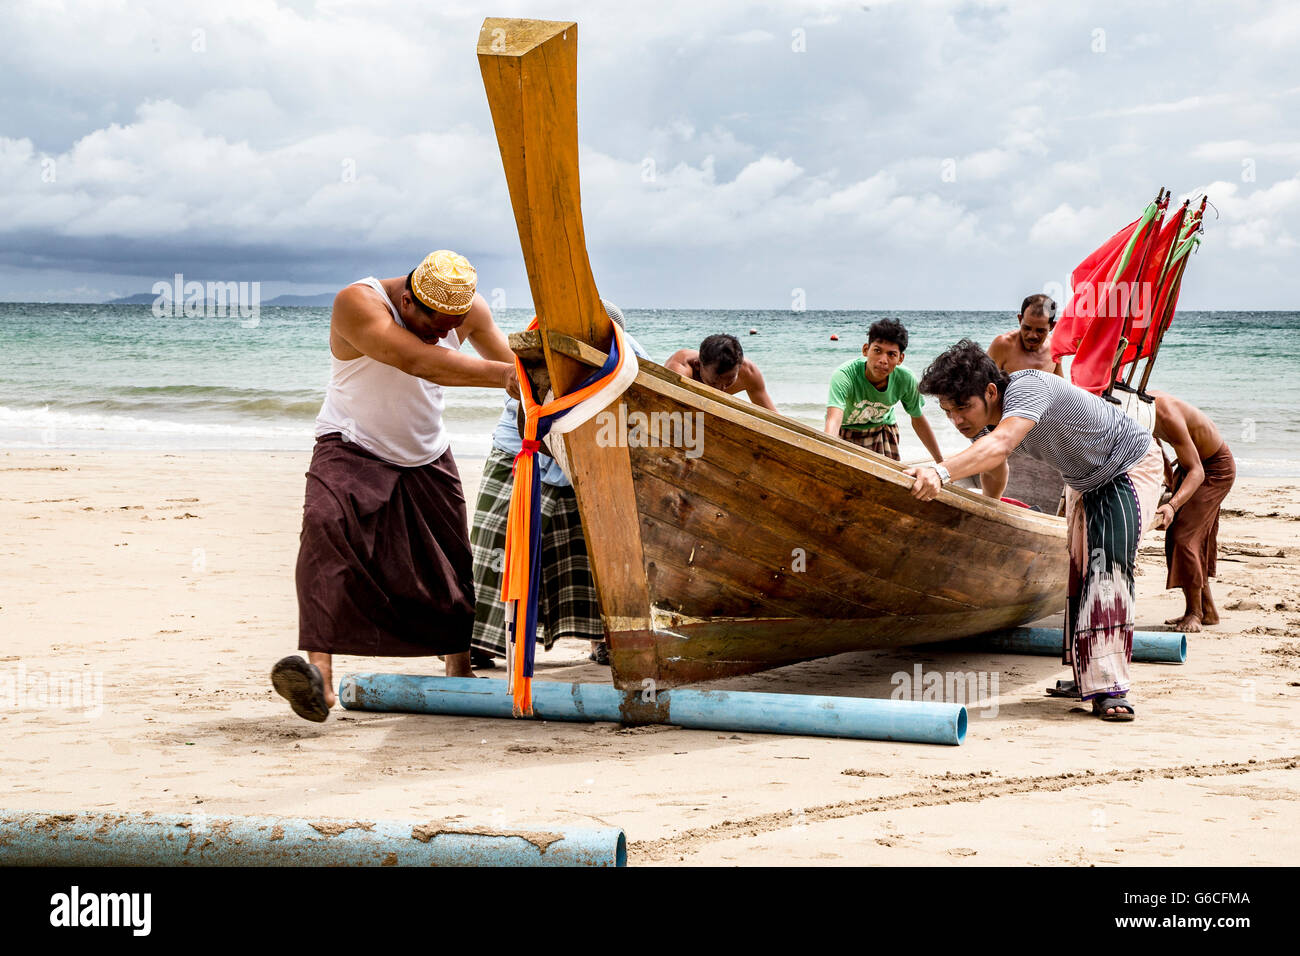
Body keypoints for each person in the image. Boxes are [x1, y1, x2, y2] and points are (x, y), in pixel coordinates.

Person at [271, 250, 519, 722]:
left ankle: (459, 673)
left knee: (450, 561)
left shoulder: (467, 312)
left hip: (425, 450)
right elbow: (417, 361)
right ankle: (319, 677)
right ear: (408, 300)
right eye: (436, 324)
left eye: (455, 324)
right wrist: (508, 377)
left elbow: (515, 368)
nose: (446, 334)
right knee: (325, 530)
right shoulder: (357, 302)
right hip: (351, 440)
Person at [906, 339, 1164, 722]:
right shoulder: (985, 428)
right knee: (1080, 573)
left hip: (1128, 465)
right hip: (1083, 479)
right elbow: (994, 468)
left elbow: (1001, 446)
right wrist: (988, 509)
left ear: (991, 392)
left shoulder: (1027, 387)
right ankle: (1086, 676)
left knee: (1108, 570)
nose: (957, 420)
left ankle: (1110, 689)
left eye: (963, 408)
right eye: (947, 412)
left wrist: (941, 473)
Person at [470, 302, 648, 668]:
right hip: (525, 447)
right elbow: (523, 415)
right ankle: (481, 642)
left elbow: (637, 415)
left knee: (601, 551)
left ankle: (609, 640)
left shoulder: (630, 358)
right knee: (498, 540)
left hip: (590, 455)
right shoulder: (540, 348)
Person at [1148, 391, 1235, 632]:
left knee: (1185, 538)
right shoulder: (1137, 410)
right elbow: (1157, 450)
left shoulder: (1166, 413)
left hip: (1214, 469)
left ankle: (1195, 612)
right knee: (1181, 537)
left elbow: (1198, 471)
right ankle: (1207, 611)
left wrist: (1172, 505)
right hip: (1191, 466)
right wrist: (1166, 484)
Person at [823, 317, 944, 463]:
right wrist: (826, 454)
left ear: (900, 359)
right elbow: (833, 420)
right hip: (846, 430)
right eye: (877, 351)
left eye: (891, 354)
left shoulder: (905, 379)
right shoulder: (844, 375)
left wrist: (941, 463)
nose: (883, 360)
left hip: (882, 430)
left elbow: (917, 419)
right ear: (866, 350)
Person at [664, 334, 778, 411]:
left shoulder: (749, 372)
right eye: (713, 383)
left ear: (739, 368)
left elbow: (773, 418)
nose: (720, 389)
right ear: (698, 366)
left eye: (728, 382)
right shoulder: (679, 370)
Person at [988, 294, 1063, 375]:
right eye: (1027, 328)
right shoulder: (1002, 345)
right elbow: (982, 382)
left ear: (1052, 326)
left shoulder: (1056, 348)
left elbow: (1060, 386)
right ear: (1020, 320)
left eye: (1040, 331)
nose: (1032, 335)